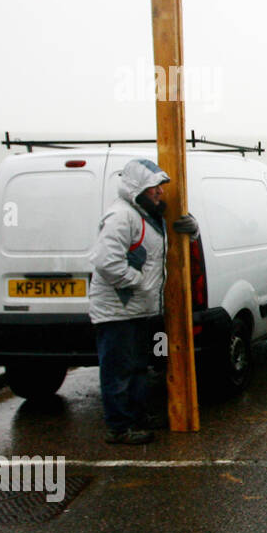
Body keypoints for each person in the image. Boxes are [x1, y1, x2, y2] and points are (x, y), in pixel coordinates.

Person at [87, 158, 199, 444]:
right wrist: (137, 284)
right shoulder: (121, 216)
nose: (160, 192)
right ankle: (120, 427)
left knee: (138, 366)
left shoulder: (150, 216)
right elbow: (105, 261)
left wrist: (193, 230)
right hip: (117, 311)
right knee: (118, 370)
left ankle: (137, 417)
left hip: (138, 310)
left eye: (160, 187)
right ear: (137, 189)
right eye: (153, 188)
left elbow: (163, 251)